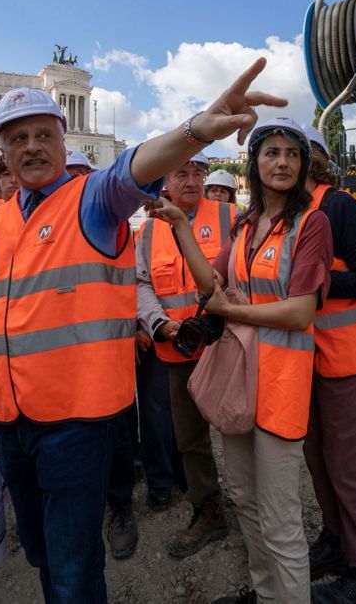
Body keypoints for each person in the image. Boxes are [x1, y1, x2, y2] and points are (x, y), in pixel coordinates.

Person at [0, 60, 286, 603]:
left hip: (76, 419)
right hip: (12, 415)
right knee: (38, 548)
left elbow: (135, 166)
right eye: (17, 139)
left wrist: (196, 129)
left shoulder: (92, 198)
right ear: (1, 152)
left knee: (74, 566)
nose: (31, 147)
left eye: (42, 135)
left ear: (63, 141)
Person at [163, 117, 333, 604]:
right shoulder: (242, 226)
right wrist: (179, 225)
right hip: (240, 382)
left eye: (292, 154)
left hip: (281, 387)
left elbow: (301, 313)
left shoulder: (311, 223)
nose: (282, 162)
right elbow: (209, 287)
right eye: (271, 153)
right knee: (245, 499)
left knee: (280, 519)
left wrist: (229, 309)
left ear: (302, 166)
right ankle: (265, 593)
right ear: (253, 164)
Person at [299, 125, 356, 604]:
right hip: (308, 364)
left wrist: (314, 283)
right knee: (319, 463)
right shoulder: (292, 213)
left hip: (352, 363)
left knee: (353, 470)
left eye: (295, 152)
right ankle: (336, 542)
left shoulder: (339, 207)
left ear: (313, 158)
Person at [136, 153, 232, 559]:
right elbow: (141, 284)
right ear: (166, 183)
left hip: (227, 349)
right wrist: (158, 323)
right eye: (182, 174)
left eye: (198, 173)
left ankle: (255, 506)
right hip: (177, 348)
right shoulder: (148, 231)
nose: (191, 181)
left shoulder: (231, 217)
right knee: (190, 438)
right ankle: (207, 508)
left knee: (239, 428)